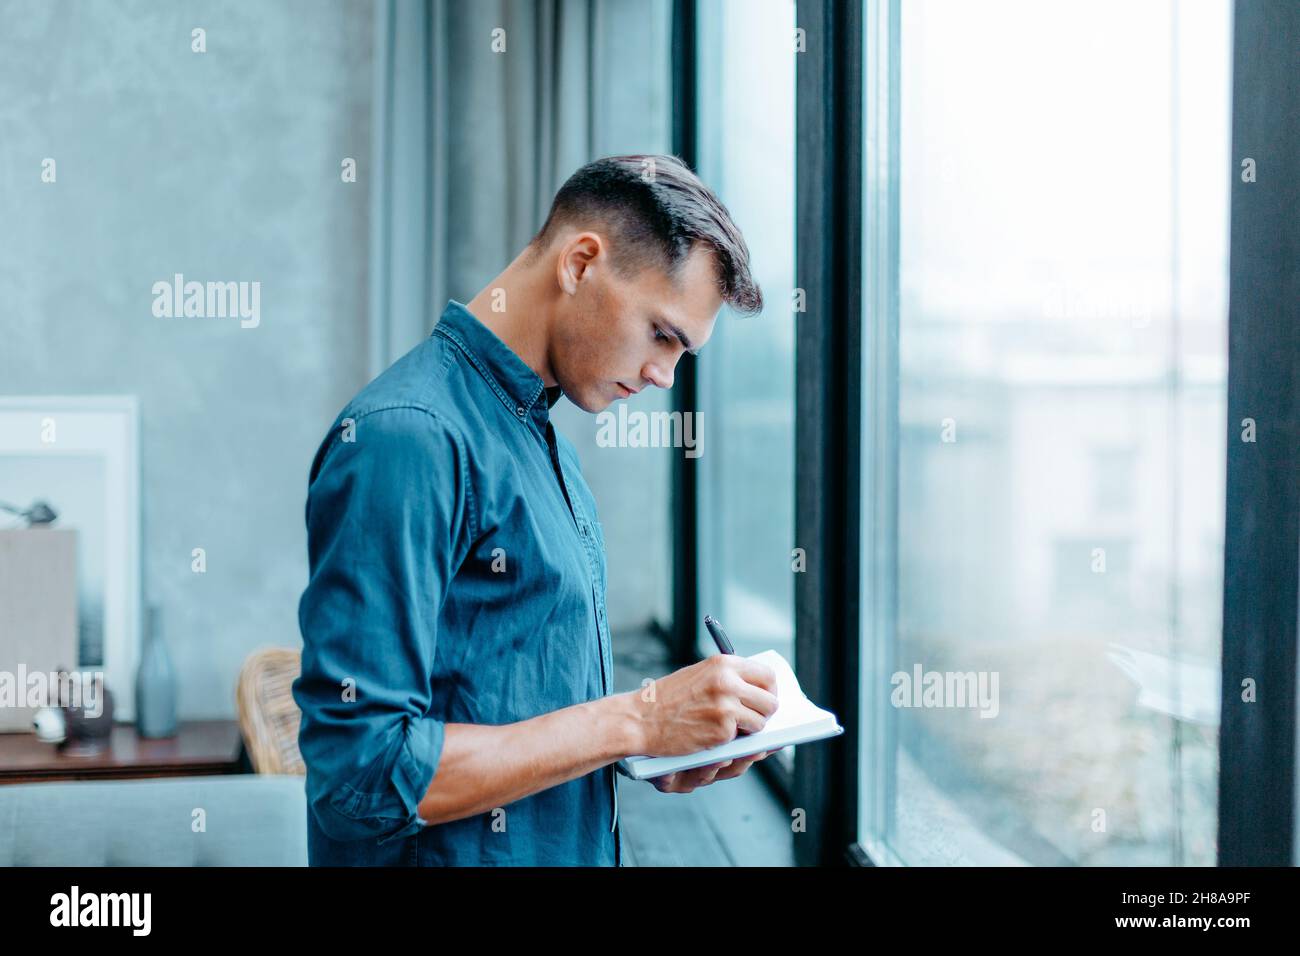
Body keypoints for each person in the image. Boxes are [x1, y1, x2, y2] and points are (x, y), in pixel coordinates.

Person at [292, 155, 780, 866]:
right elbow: (360, 774)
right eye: (662, 334)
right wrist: (637, 720)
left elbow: (515, 713)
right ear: (581, 262)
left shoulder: (541, 440)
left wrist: (657, 747)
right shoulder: (407, 437)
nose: (662, 375)